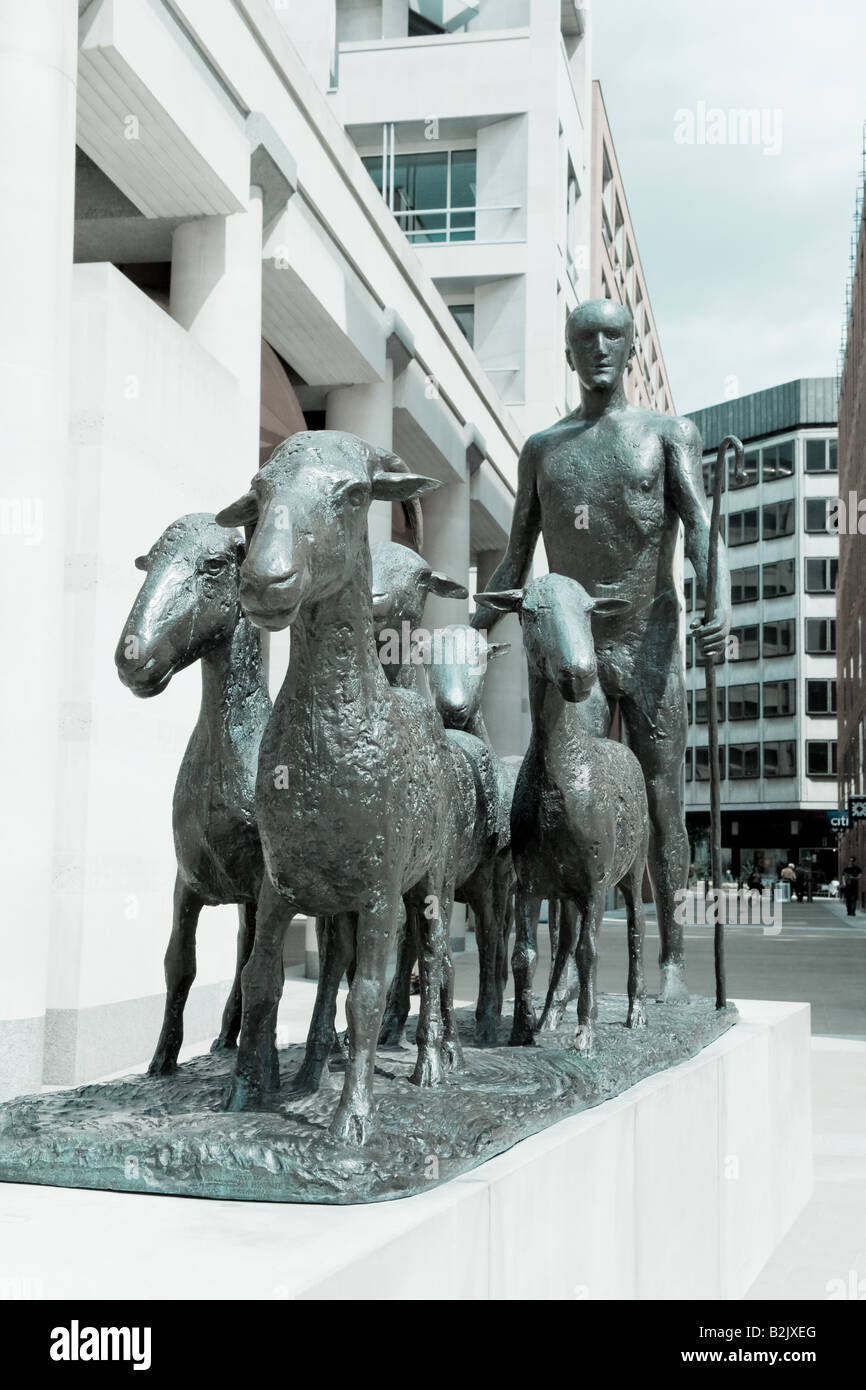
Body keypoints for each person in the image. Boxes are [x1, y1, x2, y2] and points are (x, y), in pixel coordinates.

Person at [472, 300, 731, 1001]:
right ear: (568, 352)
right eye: (585, 338)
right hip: (573, 650)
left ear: (631, 347)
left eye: (613, 335)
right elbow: (516, 557)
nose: (599, 348)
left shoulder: (668, 435)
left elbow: (702, 532)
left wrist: (719, 606)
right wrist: (469, 627)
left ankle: (671, 960)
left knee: (662, 801)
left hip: (651, 644)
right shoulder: (544, 450)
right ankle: (567, 971)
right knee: (565, 799)